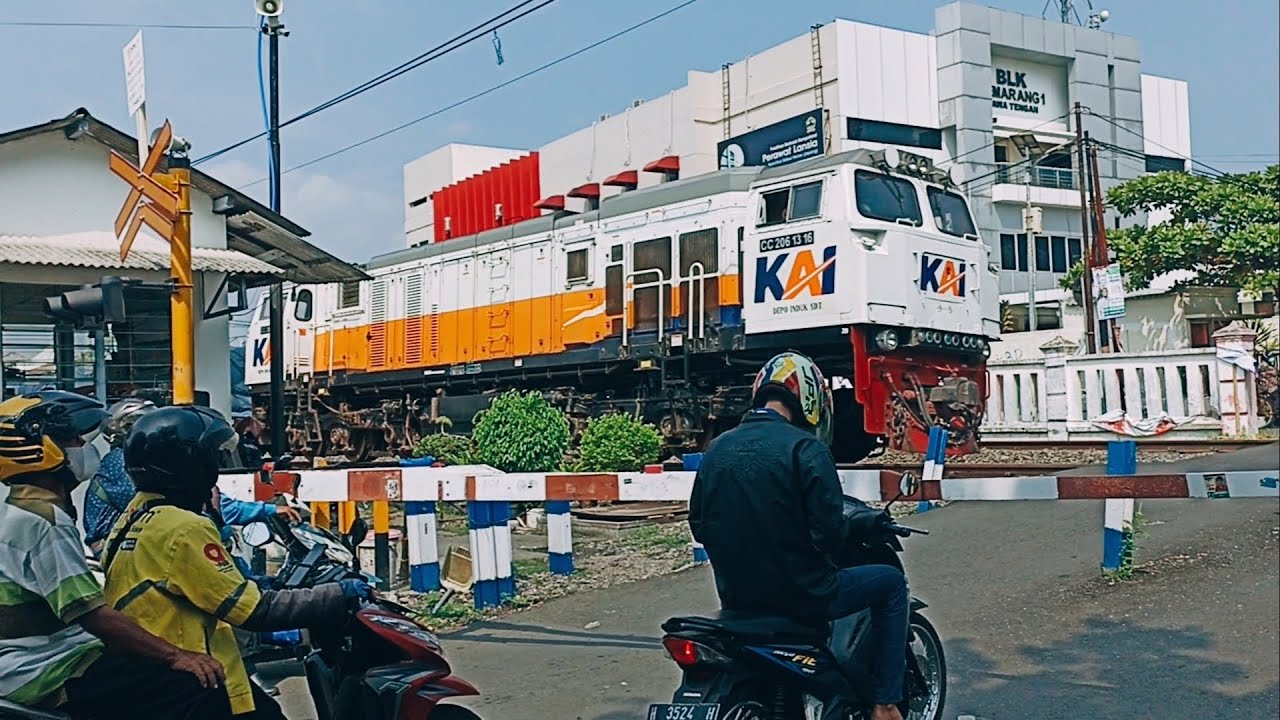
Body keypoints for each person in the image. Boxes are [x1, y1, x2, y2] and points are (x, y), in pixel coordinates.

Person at [101, 404, 373, 719]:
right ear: (192, 466)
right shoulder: (183, 528)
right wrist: (340, 595)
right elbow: (257, 611)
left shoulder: (136, 515)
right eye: (212, 459)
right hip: (192, 679)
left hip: (156, 670)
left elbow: (194, 586)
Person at [687, 352, 909, 720]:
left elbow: (699, 524)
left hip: (737, 598)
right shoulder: (806, 448)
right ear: (810, 400)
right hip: (804, 595)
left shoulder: (716, 449)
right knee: (890, 584)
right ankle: (885, 704)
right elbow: (830, 534)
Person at [0, 391, 226, 715]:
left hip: (36, 661)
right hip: (44, 670)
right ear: (42, 450)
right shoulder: (43, 522)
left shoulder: (18, 511)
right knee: (197, 685)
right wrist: (177, 655)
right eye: (72, 439)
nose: (83, 446)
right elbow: (92, 614)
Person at [84, 399, 302, 558]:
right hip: (119, 552)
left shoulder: (127, 461)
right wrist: (268, 510)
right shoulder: (126, 465)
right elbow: (191, 501)